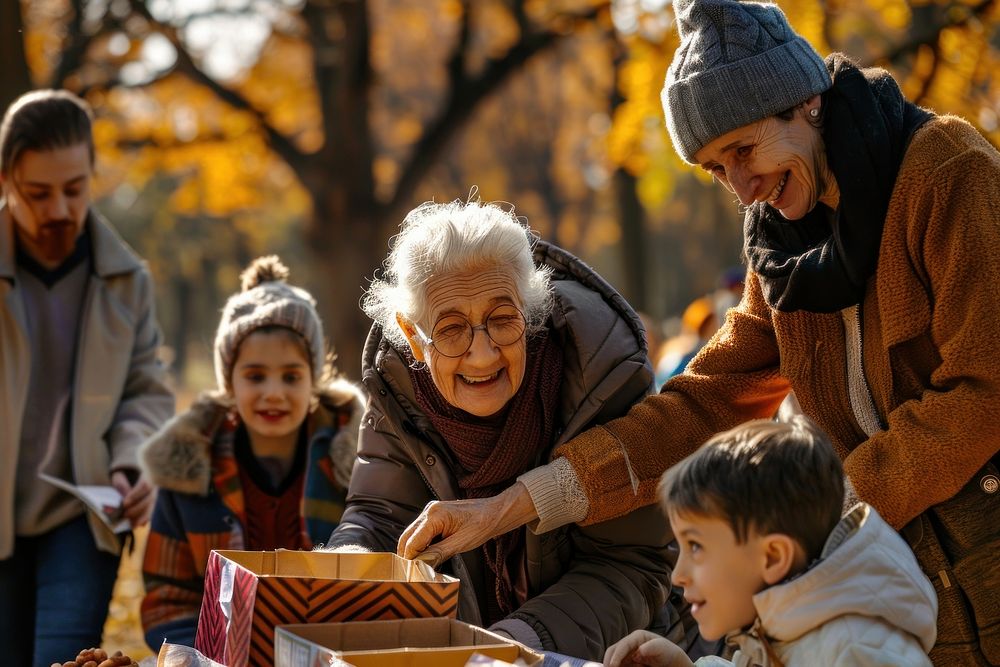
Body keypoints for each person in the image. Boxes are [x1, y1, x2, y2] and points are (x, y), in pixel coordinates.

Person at [396, 1, 1000, 664]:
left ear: (806, 103)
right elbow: (702, 403)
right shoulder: (776, 251)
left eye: (743, 149)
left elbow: (984, 391)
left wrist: (818, 505)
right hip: (887, 581)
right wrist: (509, 505)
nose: (741, 189)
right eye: (716, 168)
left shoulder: (947, 172)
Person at [327, 199, 678, 661]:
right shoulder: (398, 386)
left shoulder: (600, 371)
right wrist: (345, 566)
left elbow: (631, 563)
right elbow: (379, 514)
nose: (483, 354)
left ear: (530, 312)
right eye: (451, 329)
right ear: (412, 336)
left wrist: (520, 642)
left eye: (502, 319)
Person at [0, 89, 174, 666]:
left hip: (82, 521)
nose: (59, 209)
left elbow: (145, 389)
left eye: (74, 190)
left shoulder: (128, 281)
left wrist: (132, 463)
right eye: (39, 193)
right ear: (6, 181)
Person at [139, 256, 364, 649]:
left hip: (331, 649)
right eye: (255, 376)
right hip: (217, 654)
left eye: (291, 376)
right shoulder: (190, 469)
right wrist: (204, 655)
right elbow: (168, 597)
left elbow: (376, 583)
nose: (273, 392)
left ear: (314, 379)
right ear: (229, 380)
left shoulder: (355, 465)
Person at [604, 416, 937, 667]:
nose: (677, 575)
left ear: (773, 557)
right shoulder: (776, 634)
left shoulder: (856, 653)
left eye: (696, 547)